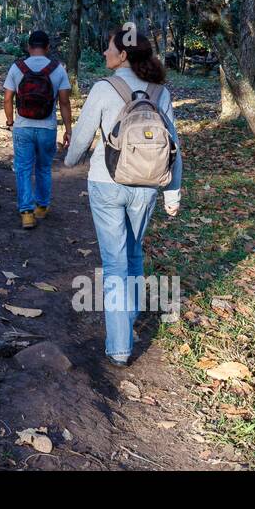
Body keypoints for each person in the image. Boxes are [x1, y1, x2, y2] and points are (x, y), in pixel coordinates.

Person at [62, 28, 182, 367]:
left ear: (123, 55)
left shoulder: (104, 88)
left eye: (109, 47)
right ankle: (126, 321)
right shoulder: (160, 92)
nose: (104, 52)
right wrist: (173, 192)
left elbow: (83, 135)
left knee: (115, 264)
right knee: (133, 255)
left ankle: (119, 347)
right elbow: (174, 147)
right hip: (147, 185)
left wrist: (70, 160)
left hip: (106, 181)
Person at [3, 30, 73, 230]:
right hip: (47, 128)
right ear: (48, 47)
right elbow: (64, 102)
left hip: (23, 126)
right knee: (43, 168)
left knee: (23, 169)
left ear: (28, 46)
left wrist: (10, 122)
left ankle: (26, 213)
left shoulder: (17, 68)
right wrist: (68, 129)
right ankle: (42, 207)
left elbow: (7, 99)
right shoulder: (57, 69)